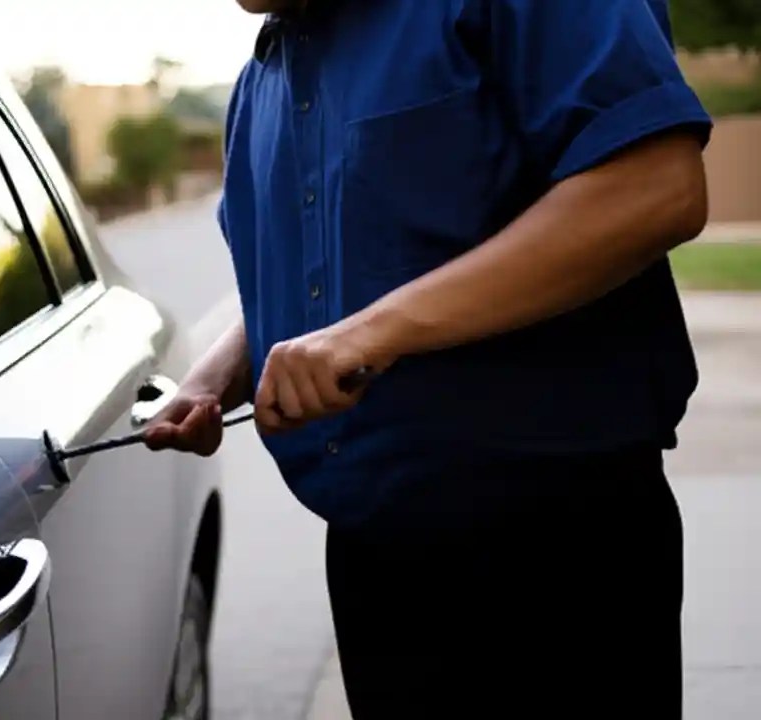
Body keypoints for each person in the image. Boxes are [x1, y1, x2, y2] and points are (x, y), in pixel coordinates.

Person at [144, 1, 711, 717]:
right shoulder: (262, 79)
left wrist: (372, 333)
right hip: (374, 565)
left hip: (557, 556)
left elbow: (657, 187)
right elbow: (323, 274)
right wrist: (216, 373)